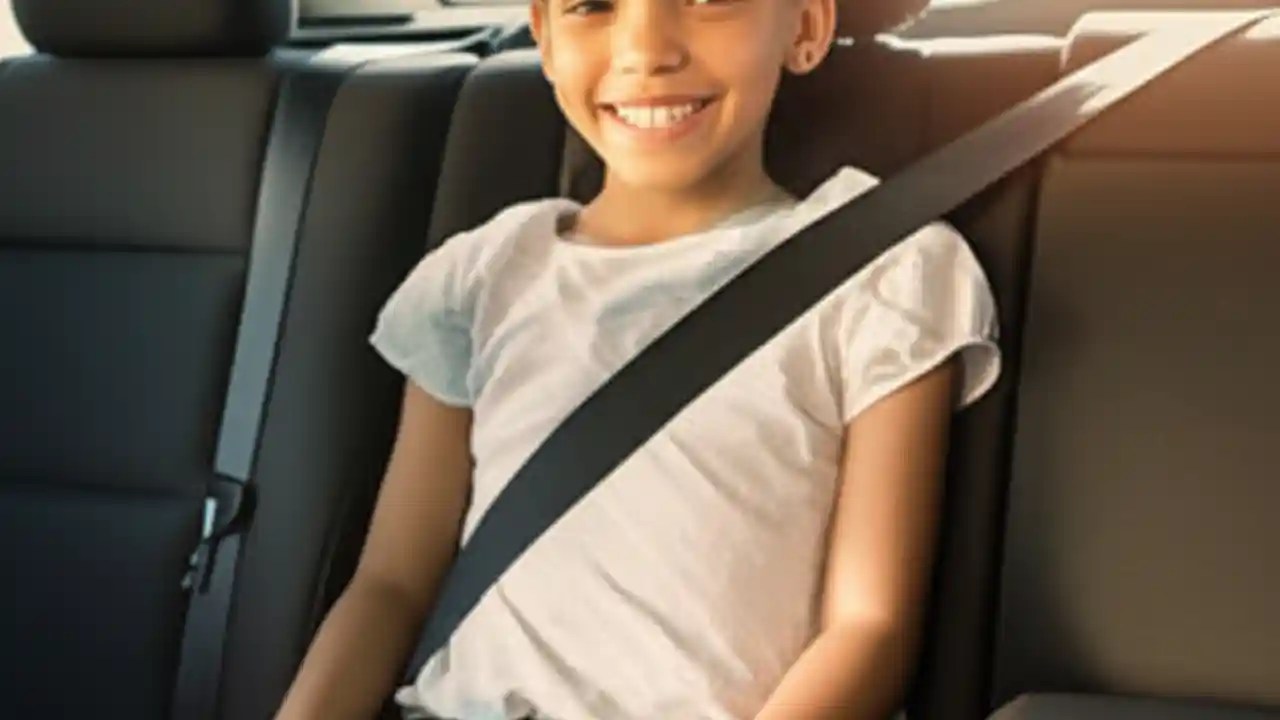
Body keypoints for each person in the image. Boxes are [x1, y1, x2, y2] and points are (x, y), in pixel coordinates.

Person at [276, 0, 1000, 715]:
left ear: (806, 26)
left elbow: (869, 629)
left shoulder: (879, 271)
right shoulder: (480, 277)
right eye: (593, 5)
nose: (647, 48)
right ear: (547, 37)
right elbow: (391, 583)